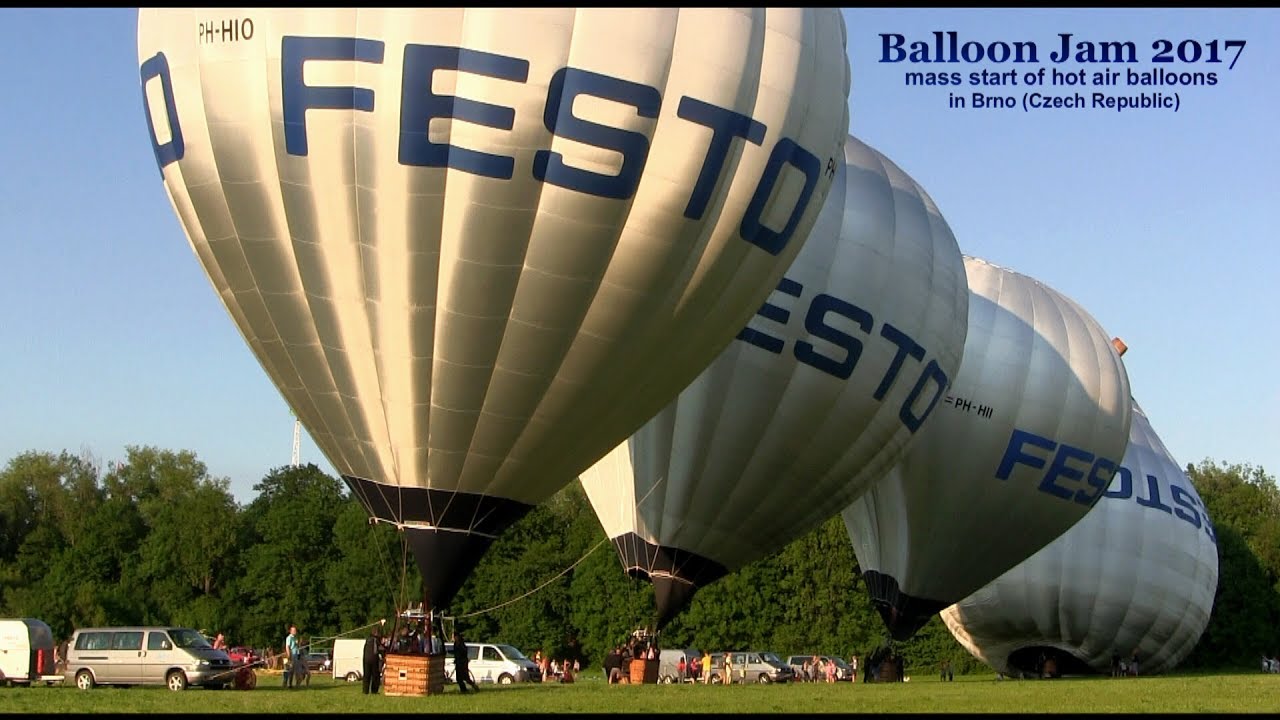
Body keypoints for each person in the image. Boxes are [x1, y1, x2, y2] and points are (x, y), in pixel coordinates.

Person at [363, 627, 383, 695]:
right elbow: (380, 649)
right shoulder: (375, 640)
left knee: (367, 676)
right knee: (375, 676)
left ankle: (365, 691)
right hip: (373, 659)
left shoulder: (368, 639)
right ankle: (373, 691)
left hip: (366, 659)